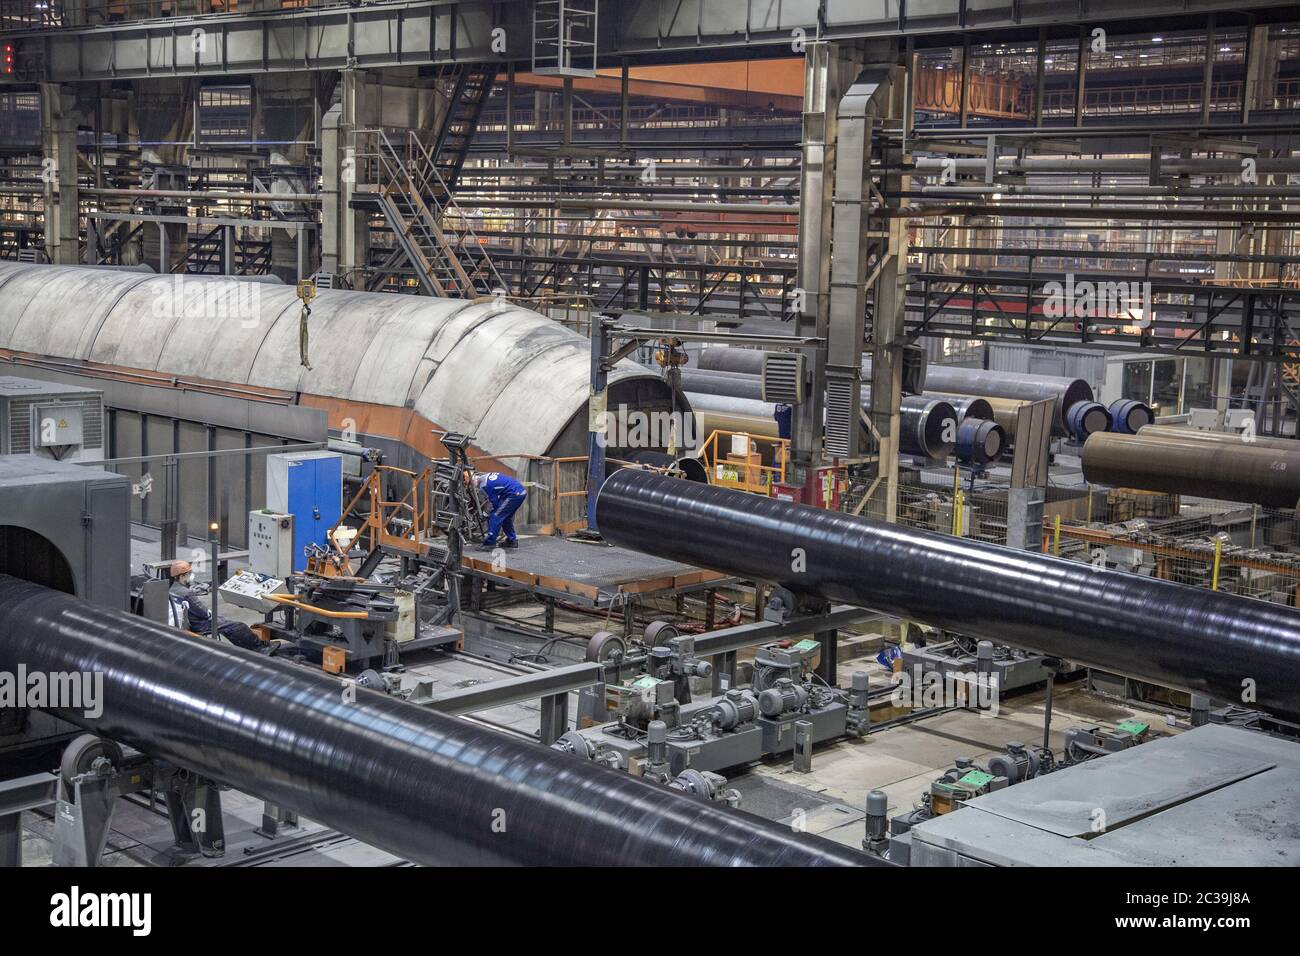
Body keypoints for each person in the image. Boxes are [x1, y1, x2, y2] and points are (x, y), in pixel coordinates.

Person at [167, 560, 266, 653]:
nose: (191, 576)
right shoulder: (187, 593)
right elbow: (202, 612)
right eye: (189, 574)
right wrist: (209, 613)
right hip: (199, 624)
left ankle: (250, 648)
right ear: (182, 576)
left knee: (229, 627)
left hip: (190, 621)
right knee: (239, 626)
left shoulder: (172, 590)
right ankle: (260, 648)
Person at [474, 471, 527, 550]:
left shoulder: (485, 485)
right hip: (518, 491)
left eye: (472, 485)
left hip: (514, 494)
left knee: (496, 515)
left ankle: (489, 543)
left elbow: (493, 503)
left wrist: (485, 514)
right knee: (506, 517)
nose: (474, 488)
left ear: (474, 481)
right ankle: (512, 541)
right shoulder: (486, 476)